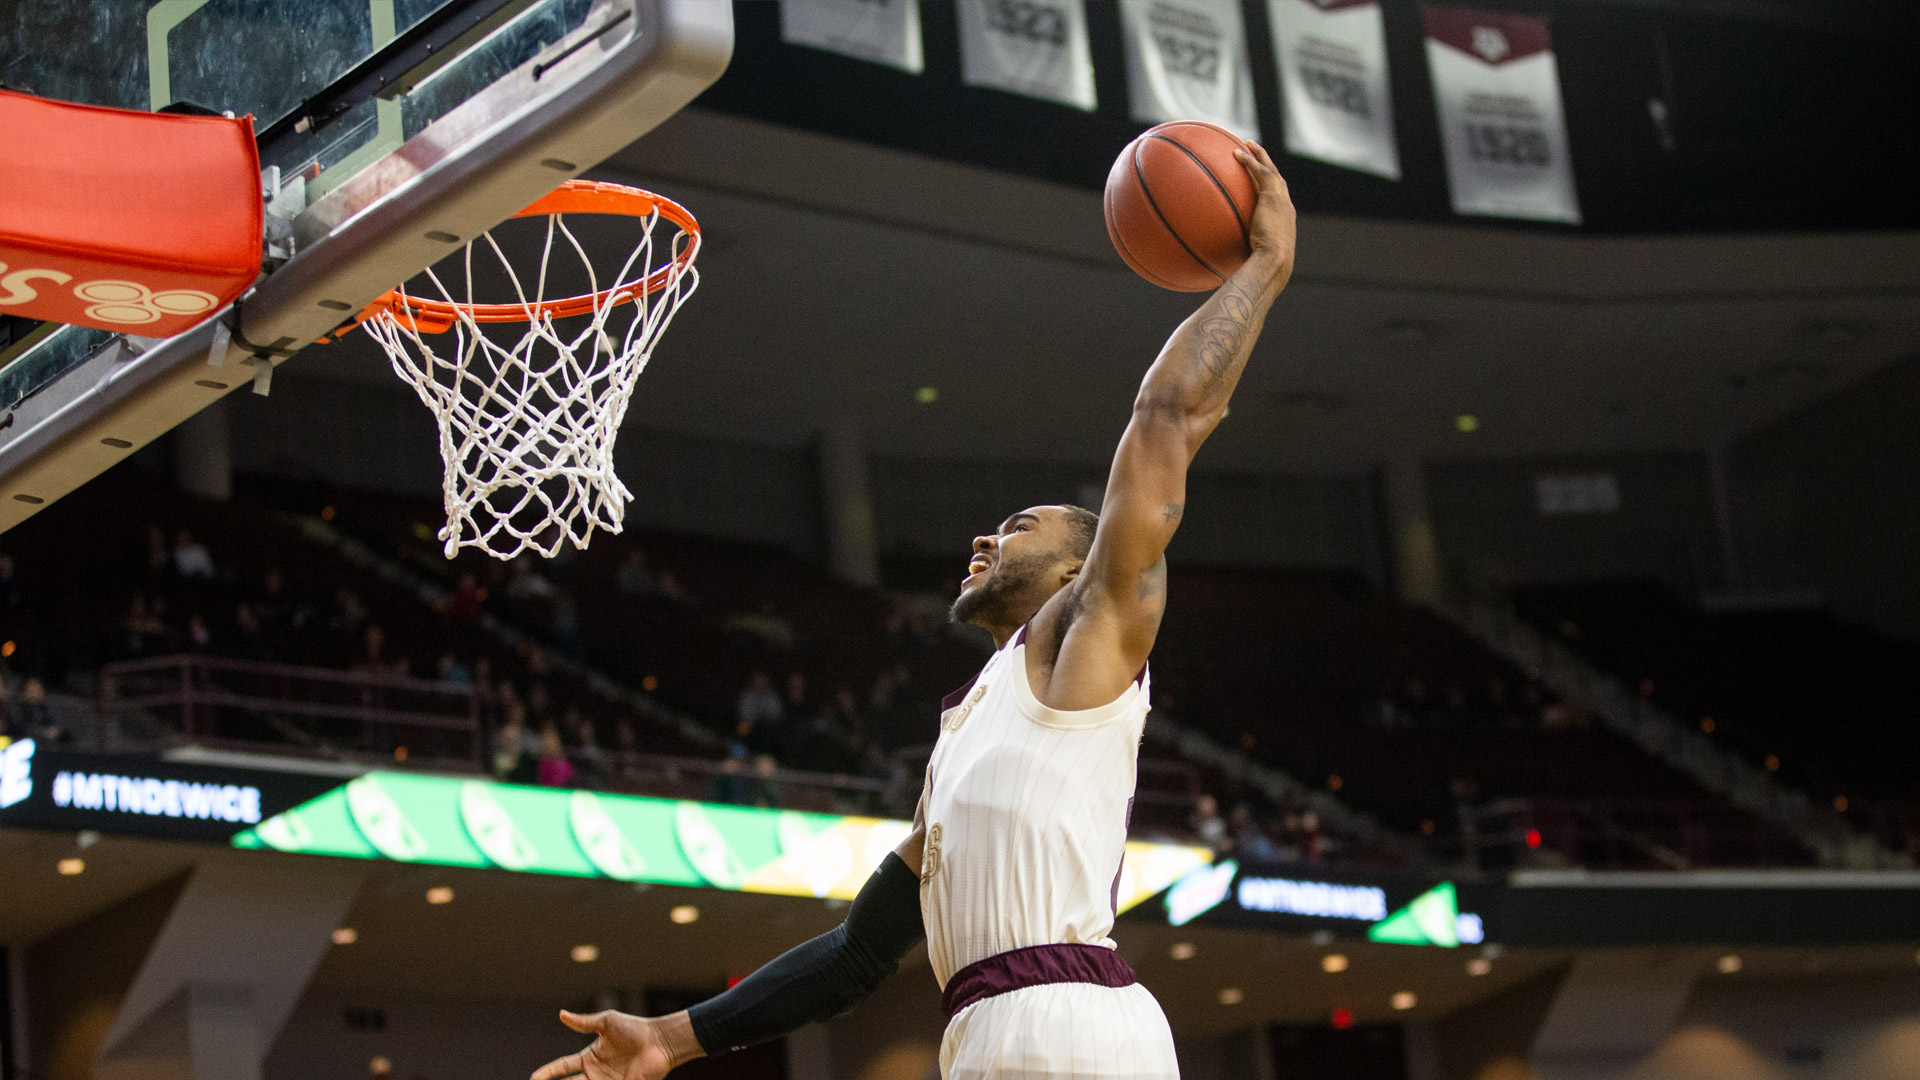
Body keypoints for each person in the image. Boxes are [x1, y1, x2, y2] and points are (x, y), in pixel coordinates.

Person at [529, 141, 1295, 1080]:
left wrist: (1265, 268)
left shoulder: (1083, 638)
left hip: (1075, 1023)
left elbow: (1166, 418)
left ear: (1077, 572)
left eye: (1020, 527)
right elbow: (856, 954)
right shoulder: (965, 739)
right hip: (981, 1033)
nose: (985, 539)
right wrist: (673, 1037)